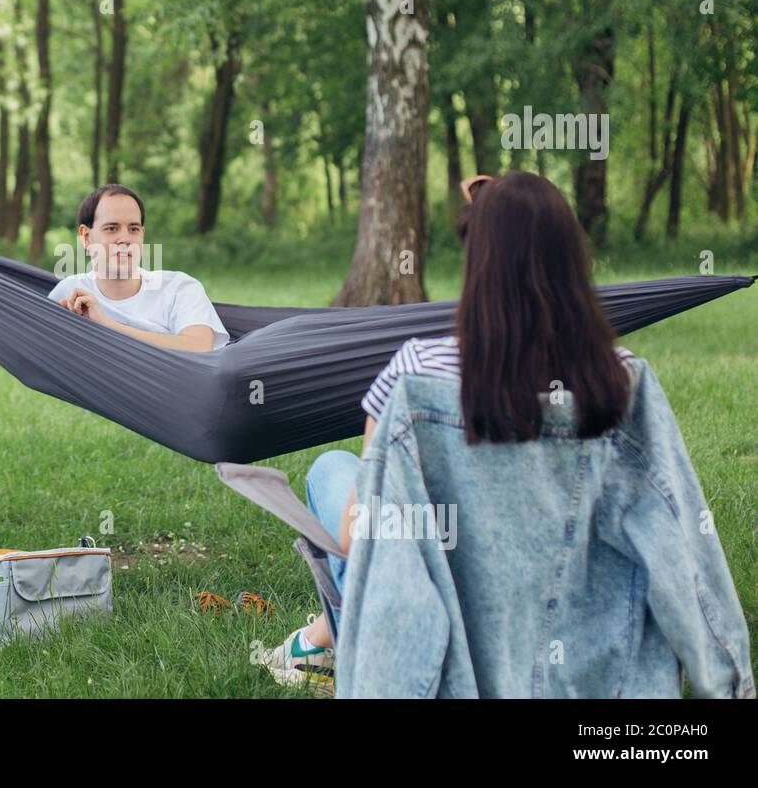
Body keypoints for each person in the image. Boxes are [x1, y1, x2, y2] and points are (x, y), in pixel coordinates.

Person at [262, 172, 642, 691]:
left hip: (437, 635)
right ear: (575, 259)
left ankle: (334, 635)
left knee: (335, 473)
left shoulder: (419, 368)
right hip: (570, 627)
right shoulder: (619, 376)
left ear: (476, 262)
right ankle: (328, 634)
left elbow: (358, 537)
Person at [48, 184, 229, 352]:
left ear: (142, 235)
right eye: (112, 228)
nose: (125, 238)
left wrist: (106, 324)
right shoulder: (69, 293)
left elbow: (200, 348)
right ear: (86, 237)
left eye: (133, 229)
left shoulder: (179, 287)